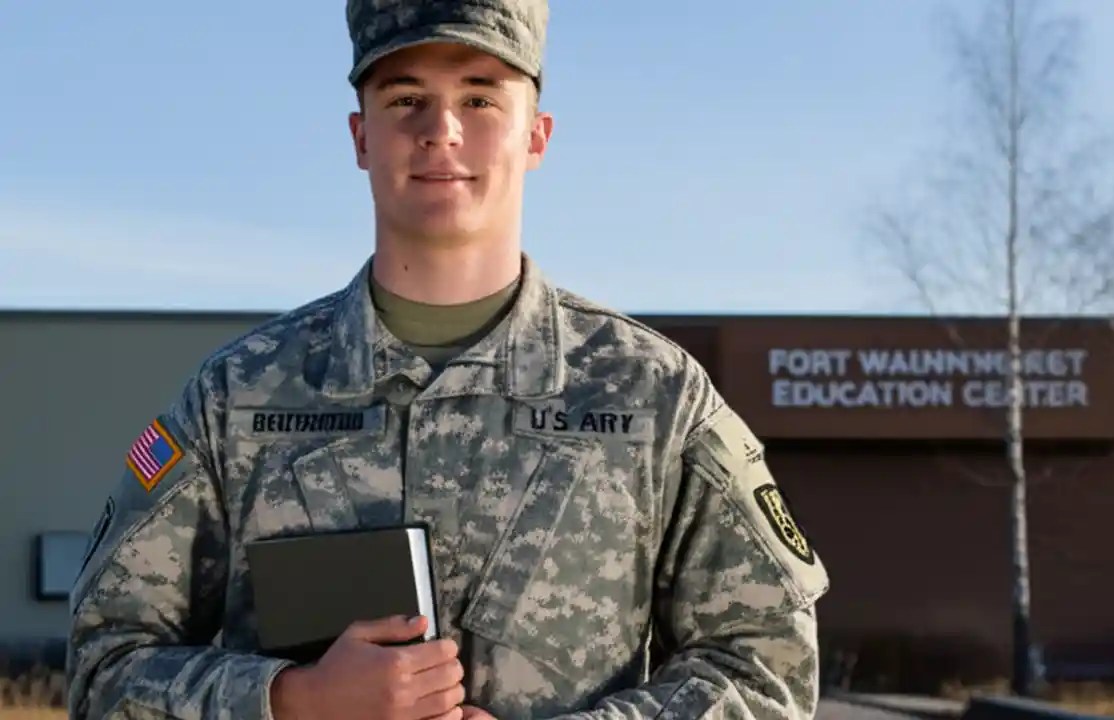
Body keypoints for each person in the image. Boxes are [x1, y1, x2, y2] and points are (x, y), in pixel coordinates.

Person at [65, 1, 830, 718]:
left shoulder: (653, 396)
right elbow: (105, 666)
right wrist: (295, 700)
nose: (441, 130)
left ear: (537, 136)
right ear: (361, 137)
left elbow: (767, 672)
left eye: (480, 97)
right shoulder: (236, 397)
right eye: (405, 100)